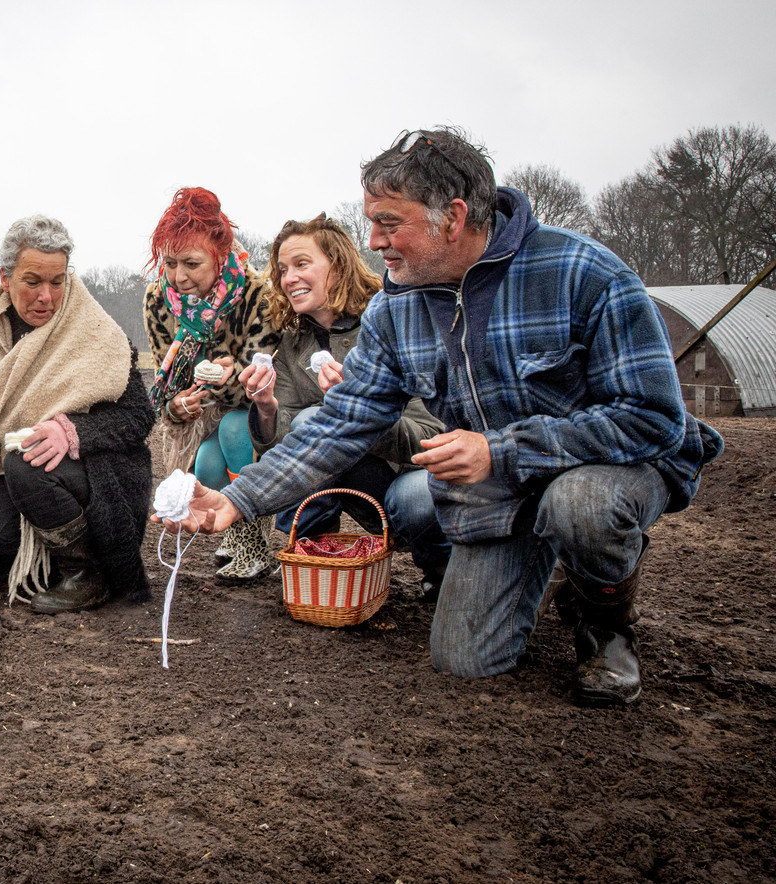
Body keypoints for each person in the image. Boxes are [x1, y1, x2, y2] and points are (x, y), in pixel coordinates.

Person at [164, 128, 723, 705]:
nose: (374, 241)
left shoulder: (585, 274)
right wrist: (239, 498)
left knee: (580, 504)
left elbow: (654, 418)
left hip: (606, 469)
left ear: (452, 217)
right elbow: (338, 424)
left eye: (388, 222)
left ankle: (605, 621)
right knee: (463, 661)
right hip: (499, 488)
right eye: (371, 222)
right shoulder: (396, 308)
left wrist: (501, 451)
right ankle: (553, 558)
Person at [0, 215, 155, 614]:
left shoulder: (99, 334)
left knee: (27, 460)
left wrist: (71, 431)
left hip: (96, 473)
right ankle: (41, 566)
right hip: (22, 475)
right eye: (33, 282)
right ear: (5, 278)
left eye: (58, 281)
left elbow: (138, 417)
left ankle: (89, 571)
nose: (46, 295)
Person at [237, 214, 449, 588]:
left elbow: (429, 434)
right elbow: (282, 441)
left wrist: (358, 409)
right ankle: (313, 560)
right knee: (305, 425)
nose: (289, 278)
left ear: (338, 265)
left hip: (402, 479)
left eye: (302, 264)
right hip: (340, 478)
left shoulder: (391, 322)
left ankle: (442, 567)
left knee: (417, 498)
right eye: (283, 269)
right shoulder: (291, 345)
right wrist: (266, 407)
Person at [143, 188, 281, 582]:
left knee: (236, 429)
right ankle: (235, 530)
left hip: (258, 408)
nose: (178, 276)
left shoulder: (257, 295)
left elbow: (260, 377)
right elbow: (164, 384)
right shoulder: (158, 301)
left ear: (219, 258)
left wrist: (229, 375)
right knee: (205, 464)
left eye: (191, 263)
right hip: (202, 418)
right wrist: (176, 405)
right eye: (170, 263)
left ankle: (253, 546)